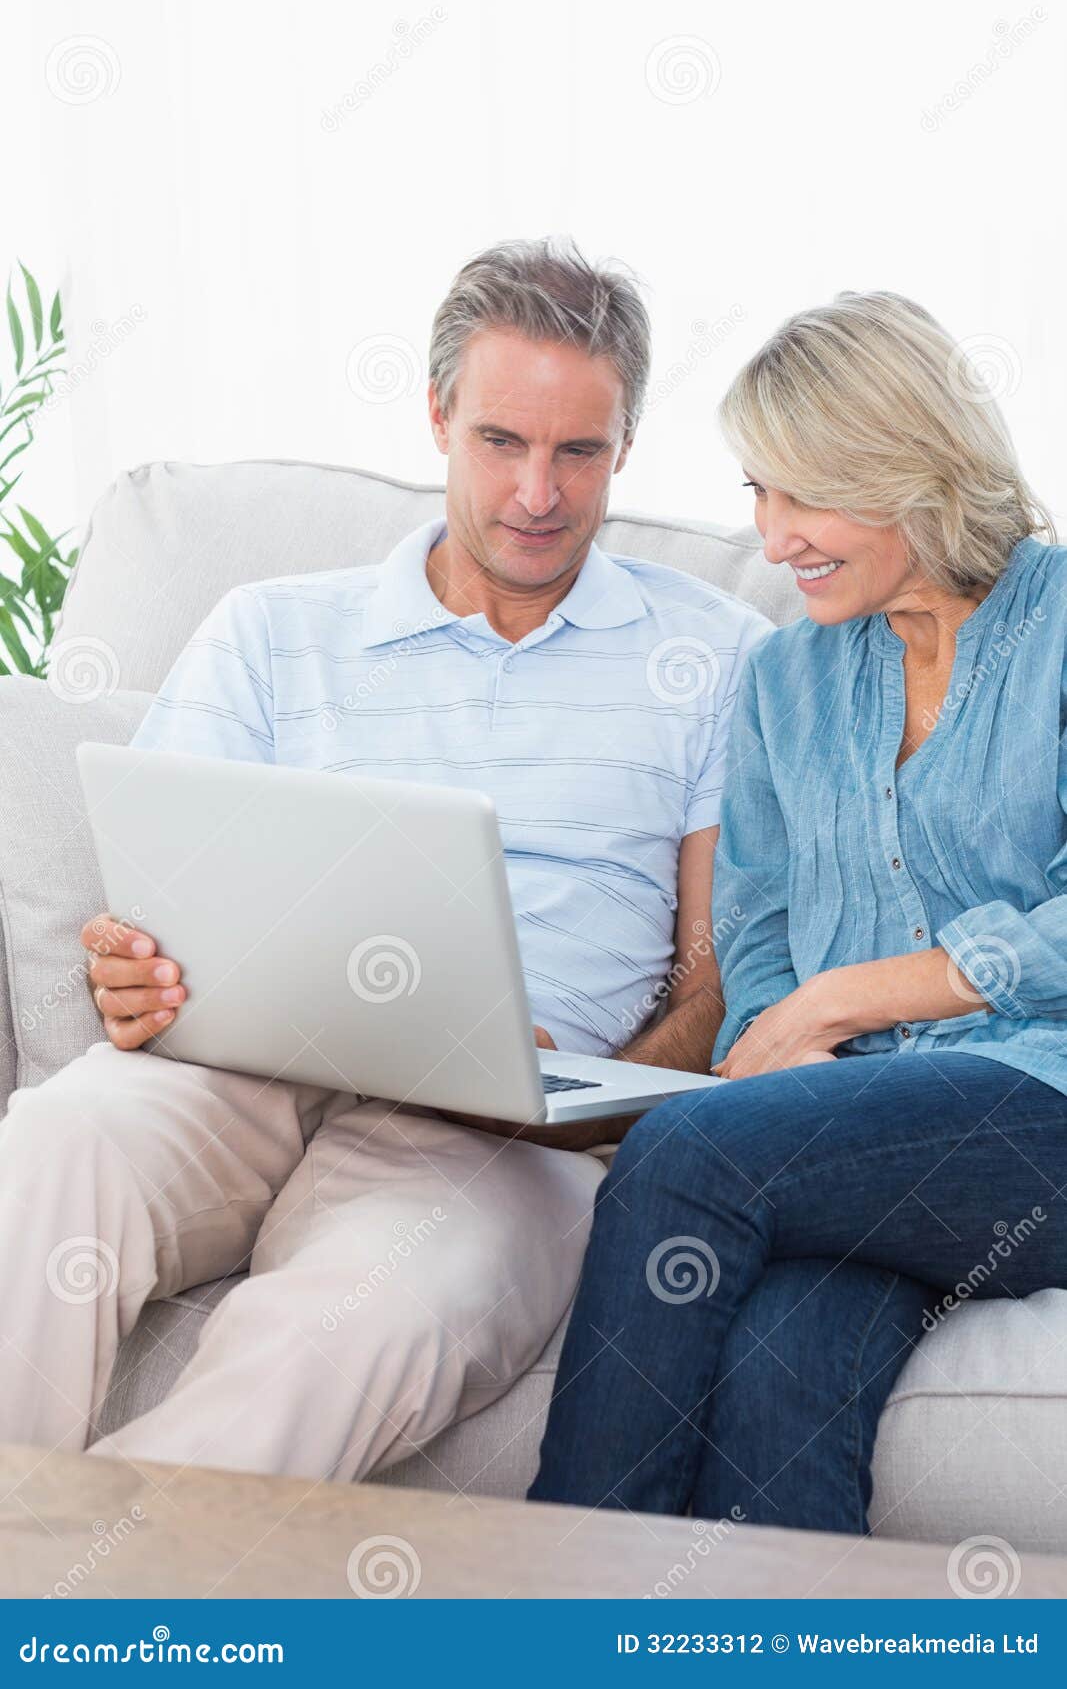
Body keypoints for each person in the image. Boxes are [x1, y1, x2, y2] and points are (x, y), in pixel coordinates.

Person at [0, 238, 769, 1482]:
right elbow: (146, 907)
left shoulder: (715, 656)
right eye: (500, 442)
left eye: (578, 451)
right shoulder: (273, 632)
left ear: (625, 442)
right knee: (58, 1140)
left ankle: (86, 1609)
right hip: (239, 1069)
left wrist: (590, 1091)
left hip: (509, 1138)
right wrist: (128, 967)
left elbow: (714, 981)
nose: (536, 492)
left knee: (355, 1324)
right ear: (436, 417)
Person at [529, 290, 1067, 1535]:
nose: (771, 540)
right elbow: (761, 940)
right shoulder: (785, 679)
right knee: (780, 1365)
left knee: (687, 1154)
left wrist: (858, 995)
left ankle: (544, 1610)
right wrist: (795, 1037)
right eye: (754, 495)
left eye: (798, 495)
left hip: (1041, 1113)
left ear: (907, 471)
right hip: (865, 1147)